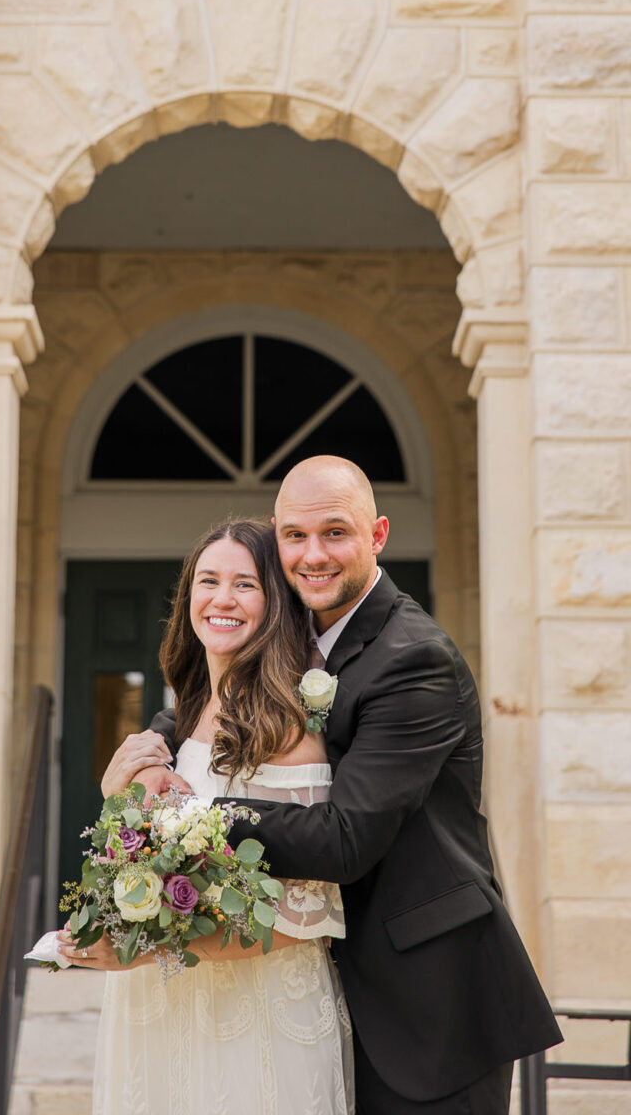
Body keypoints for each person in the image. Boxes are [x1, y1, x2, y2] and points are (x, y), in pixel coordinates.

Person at [106, 456, 561, 1113]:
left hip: (425, 1000)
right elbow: (211, 693)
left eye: (335, 533)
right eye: (295, 536)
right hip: (313, 982)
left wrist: (192, 816)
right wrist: (155, 756)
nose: (313, 555)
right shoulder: (286, 615)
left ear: (376, 535)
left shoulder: (414, 659)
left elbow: (347, 839)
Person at [59, 518, 354, 1114]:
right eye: (208, 580)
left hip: (253, 1014)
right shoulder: (183, 714)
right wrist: (120, 797)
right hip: (157, 1009)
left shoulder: (289, 723)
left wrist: (143, 948)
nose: (222, 599)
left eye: (244, 585)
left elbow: (301, 912)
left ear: (274, 603)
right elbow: (145, 854)